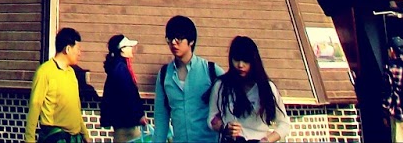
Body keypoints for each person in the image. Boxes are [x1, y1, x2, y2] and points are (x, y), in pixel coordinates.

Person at [151, 14, 222, 142]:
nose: (173, 43)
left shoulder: (211, 70)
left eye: (179, 38)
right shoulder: (164, 75)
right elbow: (161, 118)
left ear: (191, 41)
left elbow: (234, 97)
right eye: (170, 38)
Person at [209, 36, 288, 142]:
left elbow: (284, 124)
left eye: (246, 60)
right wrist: (224, 128)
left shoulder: (267, 88)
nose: (240, 65)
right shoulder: (221, 86)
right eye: (236, 60)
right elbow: (211, 118)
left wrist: (267, 140)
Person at [24, 27, 85, 143]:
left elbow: (76, 107)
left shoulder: (71, 73)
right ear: (67, 49)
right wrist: (29, 139)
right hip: (55, 137)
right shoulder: (44, 72)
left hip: (74, 137)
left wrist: (84, 133)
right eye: (78, 49)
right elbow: (35, 106)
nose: (79, 53)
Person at [100, 35, 146, 143]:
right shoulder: (121, 69)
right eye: (129, 46)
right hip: (127, 125)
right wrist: (139, 115)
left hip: (121, 124)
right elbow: (129, 96)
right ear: (122, 50)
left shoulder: (117, 67)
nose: (132, 49)